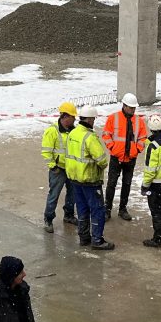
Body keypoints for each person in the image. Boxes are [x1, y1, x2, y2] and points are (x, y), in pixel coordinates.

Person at [65, 104, 112, 250]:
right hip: (90, 180)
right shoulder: (89, 137)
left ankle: (84, 237)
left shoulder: (73, 133)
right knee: (97, 210)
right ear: (90, 119)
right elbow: (102, 160)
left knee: (82, 209)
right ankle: (97, 240)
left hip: (75, 180)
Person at [101, 93, 147, 222]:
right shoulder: (113, 118)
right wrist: (113, 148)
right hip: (116, 158)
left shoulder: (139, 121)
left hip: (130, 159)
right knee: (111, 184)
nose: (133, 110)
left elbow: (143, 137)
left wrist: (137, 149)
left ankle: (122, 209)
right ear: (124, 106)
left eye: (134, 108)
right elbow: (106, 135)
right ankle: (107, 209)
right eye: (131, 108)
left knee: (127, 184)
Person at [40, 102, 77, 232]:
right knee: (54, 195)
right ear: (65, 116)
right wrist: (53, 167)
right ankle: (48, 219)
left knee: (72, 194)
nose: (74, 120)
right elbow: (46, 151)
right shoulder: (52, 131)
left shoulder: (74, 131)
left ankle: (69, 215)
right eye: (73, 117)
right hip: (58, 170)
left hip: (71, 169)